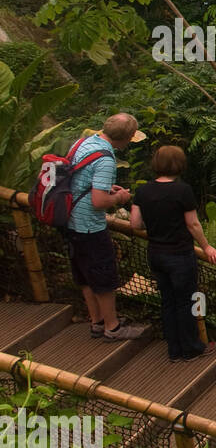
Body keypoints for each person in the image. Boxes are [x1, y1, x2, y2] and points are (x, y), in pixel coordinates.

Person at [130, 146, 216, 362]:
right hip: (179, 256)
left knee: (168, 301)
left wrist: (155, 225)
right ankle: (191, 349)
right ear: (180, 164)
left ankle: (174, 349)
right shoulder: (182, 191)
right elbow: (193, 224)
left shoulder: (143, 191)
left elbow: (135, 223)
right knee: (185, 302)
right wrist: (207, 246)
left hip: (156, 253)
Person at [67, 114, 151, 342]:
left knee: (85, 275)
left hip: (70, 220)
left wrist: (104, 189)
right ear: (126, 139)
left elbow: (79, 181)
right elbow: (99, 202)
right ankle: (112, 328)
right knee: (103, 277)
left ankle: (97, 322)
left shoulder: (83, 143)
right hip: (89, 227)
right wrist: (120, 197)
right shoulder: (105, 159)